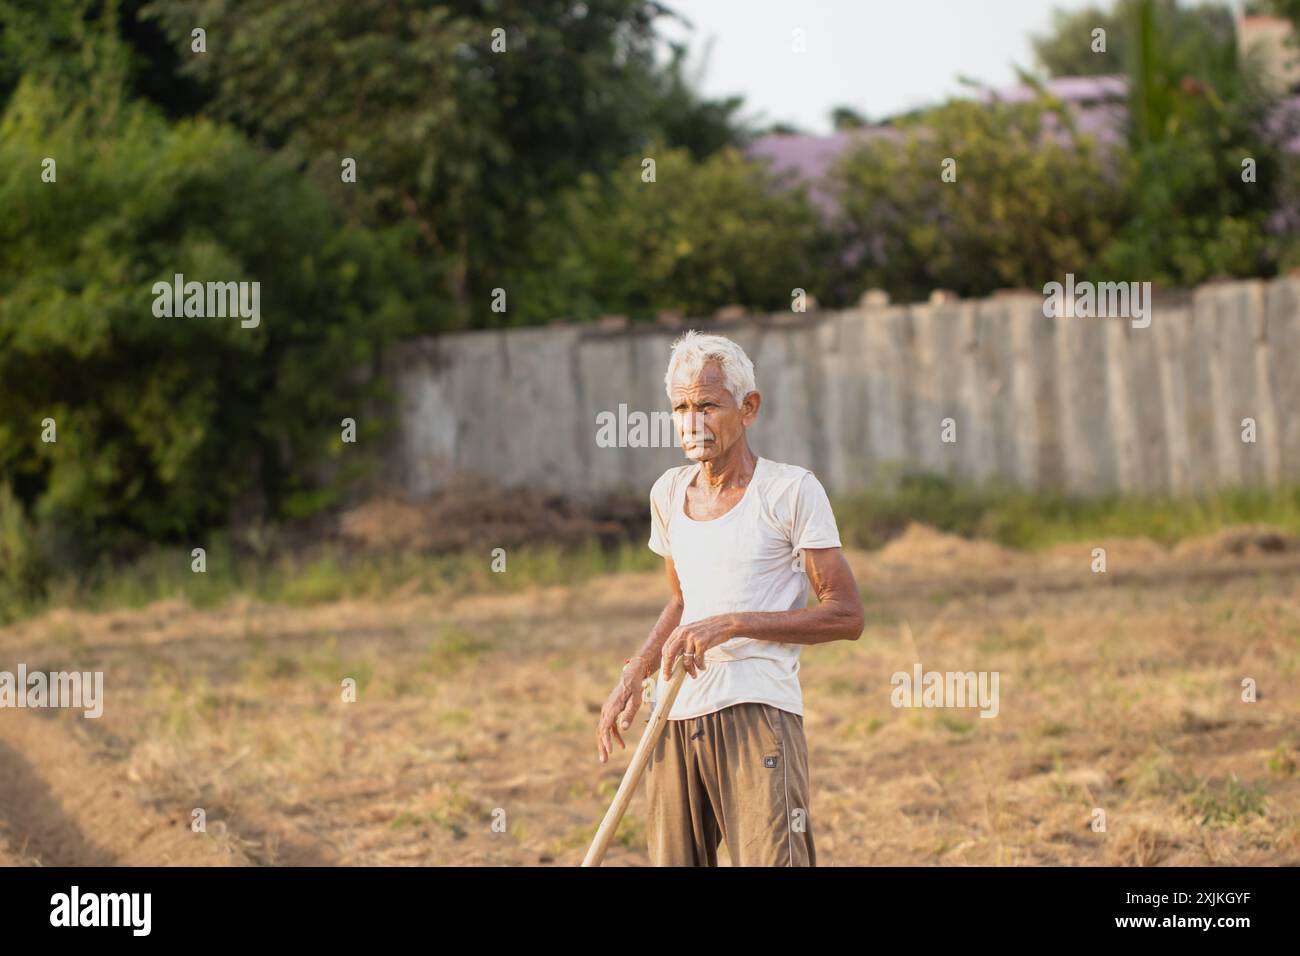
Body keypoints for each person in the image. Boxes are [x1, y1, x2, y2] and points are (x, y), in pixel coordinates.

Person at [596, 330, 865, 866]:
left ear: (748, 408)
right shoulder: (669, 493)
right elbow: (681, 602)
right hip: (674, 711)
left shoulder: (790, 491)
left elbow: (846, 614)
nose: (693, 421)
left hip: (757, 710)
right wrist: (637, 672)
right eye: (680, 407)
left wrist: (733, 623)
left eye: (708, 405)